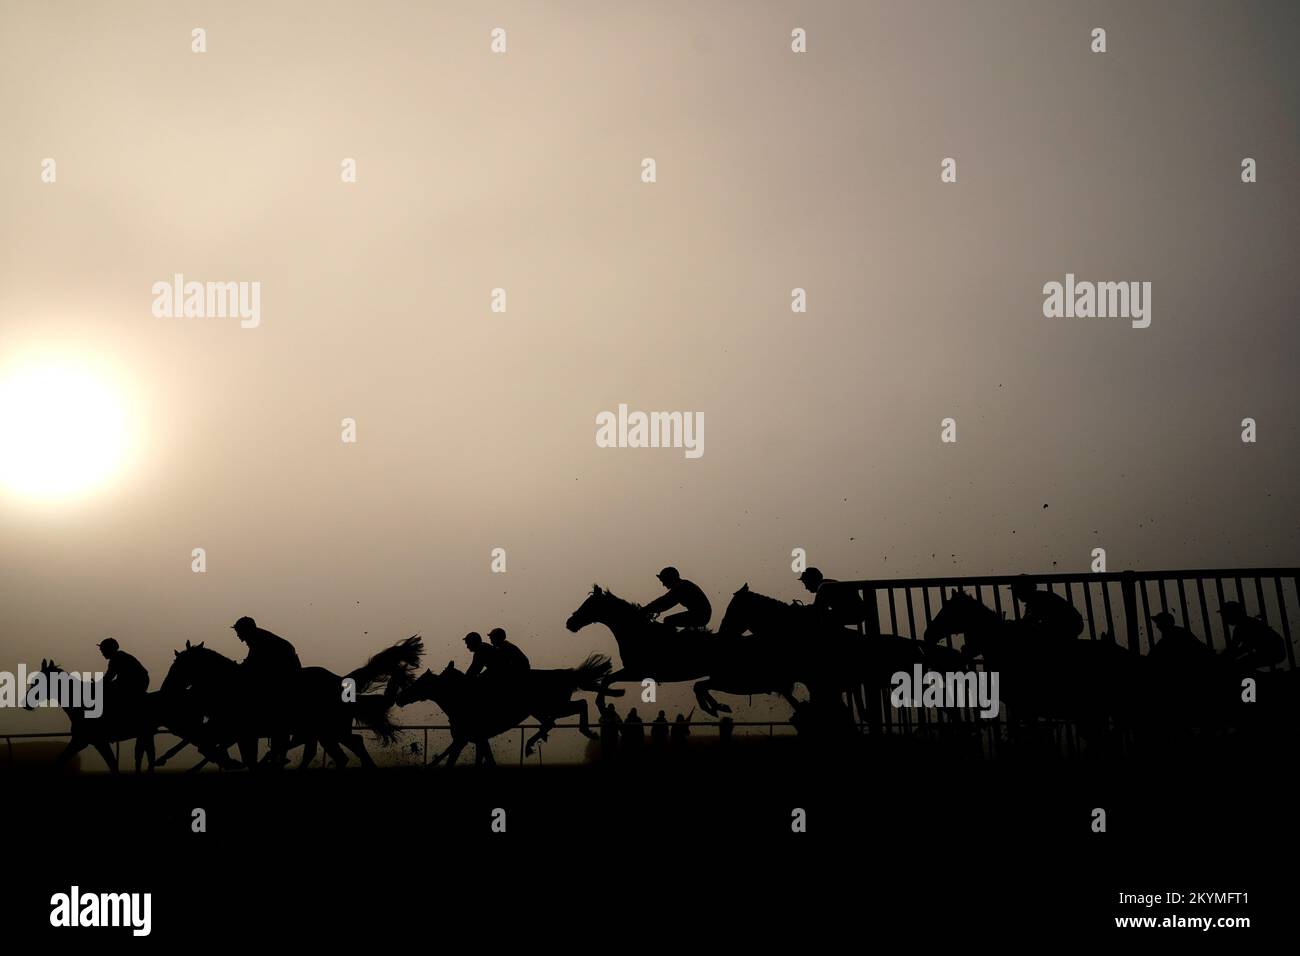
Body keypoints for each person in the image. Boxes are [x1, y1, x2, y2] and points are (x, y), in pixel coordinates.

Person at [231, 616, 301, 766]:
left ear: (245, 630)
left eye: (238, 631)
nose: (237, 635)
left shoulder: (257, 639)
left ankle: (279, 745)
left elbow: (255, 665)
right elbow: (253, 662)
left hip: (286, 668)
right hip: (282, 663)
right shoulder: (255, 637)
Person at [1009, 578, 1083, 646]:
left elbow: (1030, 620)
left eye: (1017, 591)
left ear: (1024, 590)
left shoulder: (1038, 600)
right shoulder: (1036, 598)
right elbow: (1028, 620)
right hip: (1072, 624)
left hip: (1069, 626)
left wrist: (1013, 625)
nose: (1016, 595)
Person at [97, 638, 149, 726]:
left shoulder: (116, 658)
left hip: (135, 683)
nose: (101, 652)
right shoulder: (119, 656)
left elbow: (108, 678)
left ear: (109, 649)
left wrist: (96, 686)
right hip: (135, 681)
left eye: (103, 650)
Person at [1220, 602, 1286, 670]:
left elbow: (1242, 648)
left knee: (1241, 665)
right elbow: (1234, 647)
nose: (1224, 619)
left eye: (1225, 615)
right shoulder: (1245, 624)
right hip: (1275, 651)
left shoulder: (1243, 626)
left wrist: (1223, 658)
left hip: (1273, 651)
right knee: (1243, 664)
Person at [644, 567, 712, 630]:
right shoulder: (682, 584)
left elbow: (665, 602)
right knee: (669, 621)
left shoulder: (680, 587)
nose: (663, 584)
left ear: (669, 578)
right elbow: (665, 602)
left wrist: (646, 609)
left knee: (669, 621)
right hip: (701, 614)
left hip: (700, 615)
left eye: (664, 580)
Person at [798, 568, 864, 631]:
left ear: (812, 580)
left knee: (819, 618)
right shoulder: (826, 585)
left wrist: (800, 609)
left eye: (806, 583)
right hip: (853, 612)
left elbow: (817, 609)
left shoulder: (824, 588)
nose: (806, 587)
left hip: (853, 613)